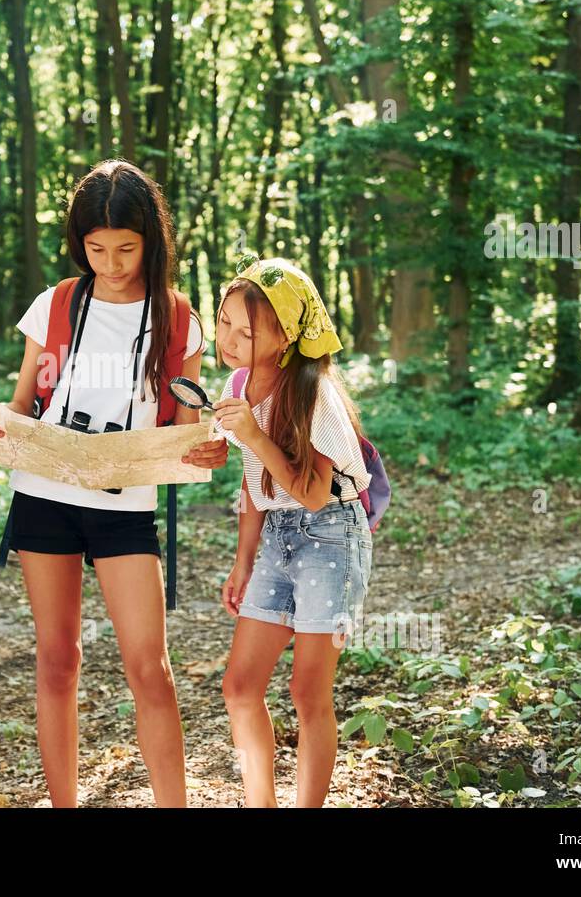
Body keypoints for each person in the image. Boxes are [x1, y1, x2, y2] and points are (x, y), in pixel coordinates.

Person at [0, 160, 228, 807]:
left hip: (126, 505)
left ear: (151, 243)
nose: (110, 263)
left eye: (126, 250)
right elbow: (24, 405)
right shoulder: (57, 302)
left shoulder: (177, 316)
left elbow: (185, 423)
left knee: (150, 668)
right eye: (96, 248)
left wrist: (203, 448)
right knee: (57, 659)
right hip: (44, 496)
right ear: (79, 242)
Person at [212, 257, 374, 808]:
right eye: (224, 320)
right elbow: (252, 478)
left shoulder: (313, 393)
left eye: (246, 330)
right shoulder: (240, 382)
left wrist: (256, 437)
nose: (229, 338)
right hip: (277, 535)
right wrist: (243, 559)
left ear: (284, 339)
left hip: (332, 535)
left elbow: (312, 492)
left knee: (308, 694)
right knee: (239, 687)